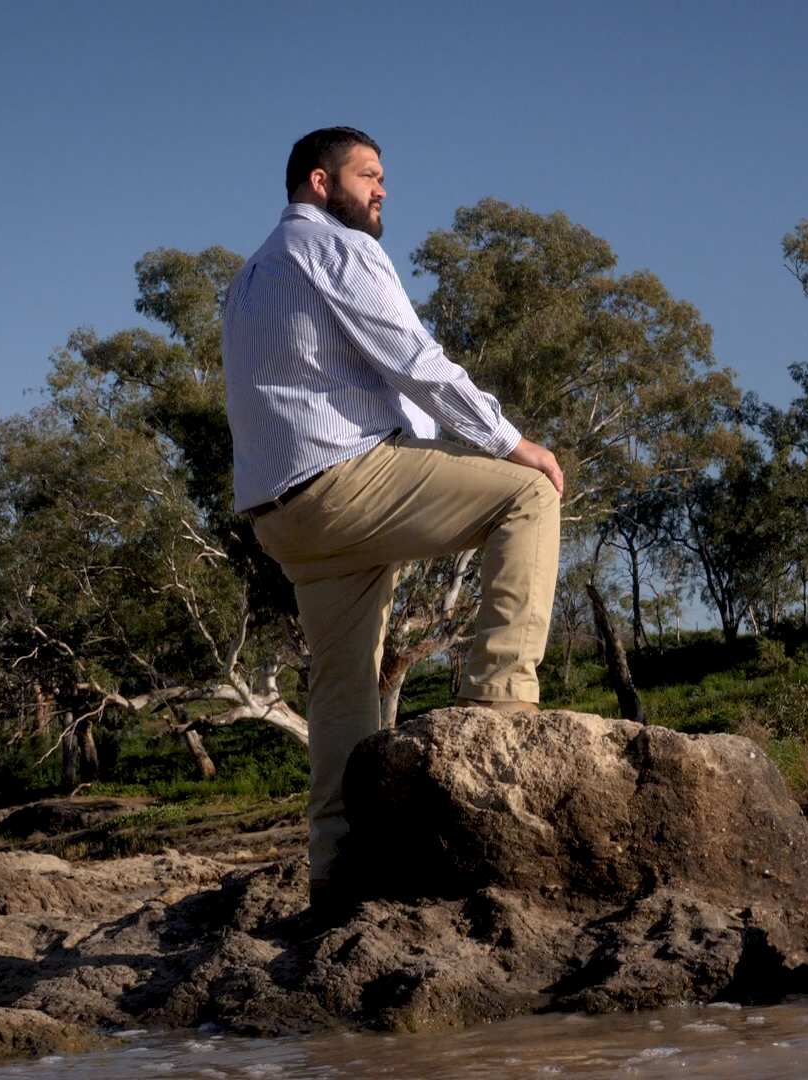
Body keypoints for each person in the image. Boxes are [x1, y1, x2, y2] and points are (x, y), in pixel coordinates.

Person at [221, 126, 563, 898]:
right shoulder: (333, 249)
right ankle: (501, 704)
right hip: (341, 483)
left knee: (342, 692)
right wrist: (513, 443)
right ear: (319, 182)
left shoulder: (250, 276)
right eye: (368, 175)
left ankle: (336, 873)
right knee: (529, 495)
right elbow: (415, 359)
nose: (382, 189)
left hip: (285, 519)